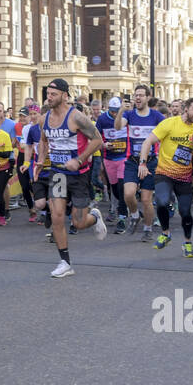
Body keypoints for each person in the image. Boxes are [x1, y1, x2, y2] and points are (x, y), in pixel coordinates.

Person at [37, 78, 107, 278]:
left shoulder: (77, 117)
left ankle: (94, 217)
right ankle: (65, 263)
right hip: (58, 173)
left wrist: (80, 158)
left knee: (78, 223)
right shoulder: (44, 119)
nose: (49, 98)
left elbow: (98, 140)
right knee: (57, 216)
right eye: (48, 94)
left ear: (64, 96)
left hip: (79, 175)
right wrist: (41, 159)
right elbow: (43, 140)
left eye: (53, 94)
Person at [138, 98, 193, 258]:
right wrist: (143, 163)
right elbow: (147, 142)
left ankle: (187, 242)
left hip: (184, 176)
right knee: (161, 202)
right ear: (186, 109)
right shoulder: (170, 124)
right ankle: (166, 233)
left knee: (185, 212)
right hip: (164, 173)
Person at [124, 84, 163, 241]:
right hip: (133, 161)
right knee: (128, 194)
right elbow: (117, 125)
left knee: (146, 200)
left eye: (141, 95)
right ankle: (134, 215)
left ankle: (148, 228)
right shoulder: (129, 114)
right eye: (136, 95)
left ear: (148, 97)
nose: (138, 98)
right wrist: (121, 109)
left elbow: (166, 133)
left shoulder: (156, 116)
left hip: (151, 162)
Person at [98, 96, 130, 233]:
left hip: (124, 157)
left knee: (123, 188)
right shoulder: (102, 119)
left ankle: (122, 218)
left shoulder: (126, 117)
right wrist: (104, 145)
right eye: (112, 111)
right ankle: (128, 209)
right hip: (109, 158)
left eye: (116, 111)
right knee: (115, 190)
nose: (114, 114)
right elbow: (95, 137)